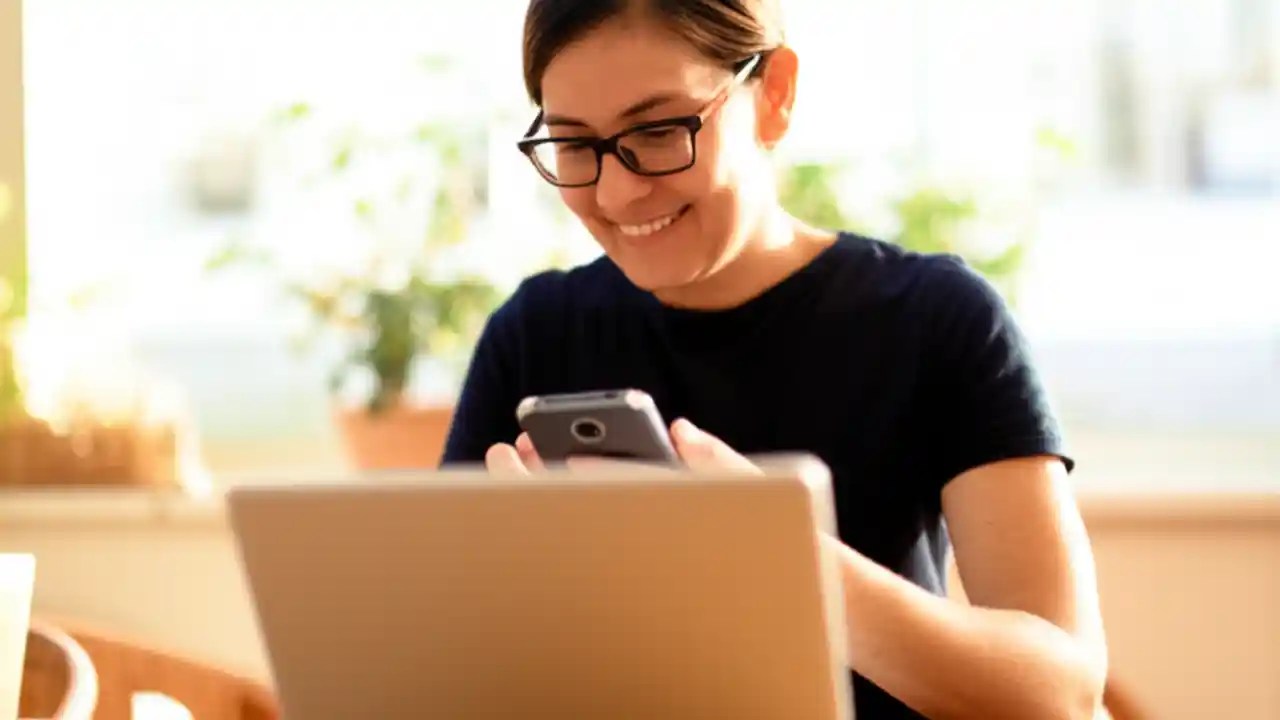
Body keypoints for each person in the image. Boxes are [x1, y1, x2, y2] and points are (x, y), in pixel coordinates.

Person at [441, 0, 1108, 717]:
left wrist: (775, 557)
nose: (617, 191)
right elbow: (438, 659)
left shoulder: (934, 319)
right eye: (575, 146)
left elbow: (1060, 693)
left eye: (660, 130)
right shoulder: (534, 334)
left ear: (775, 95)